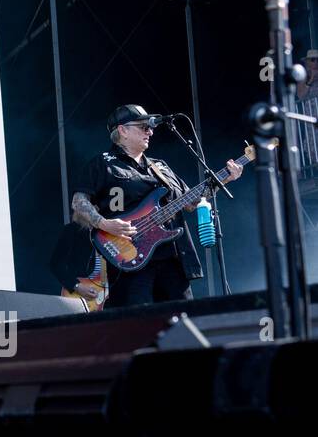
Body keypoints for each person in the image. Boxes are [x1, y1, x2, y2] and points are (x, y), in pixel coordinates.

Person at [69, 104, 241, 308]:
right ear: (123, 130)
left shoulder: (160, 166)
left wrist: (225, 179)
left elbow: (191, 202)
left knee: (183, 320)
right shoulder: (102, 164)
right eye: (143, 127)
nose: (150, 131)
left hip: (172, 259)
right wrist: (104, 223)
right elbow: (78, 202)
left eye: (149, 127)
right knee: (138, 324)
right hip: (130, 258)